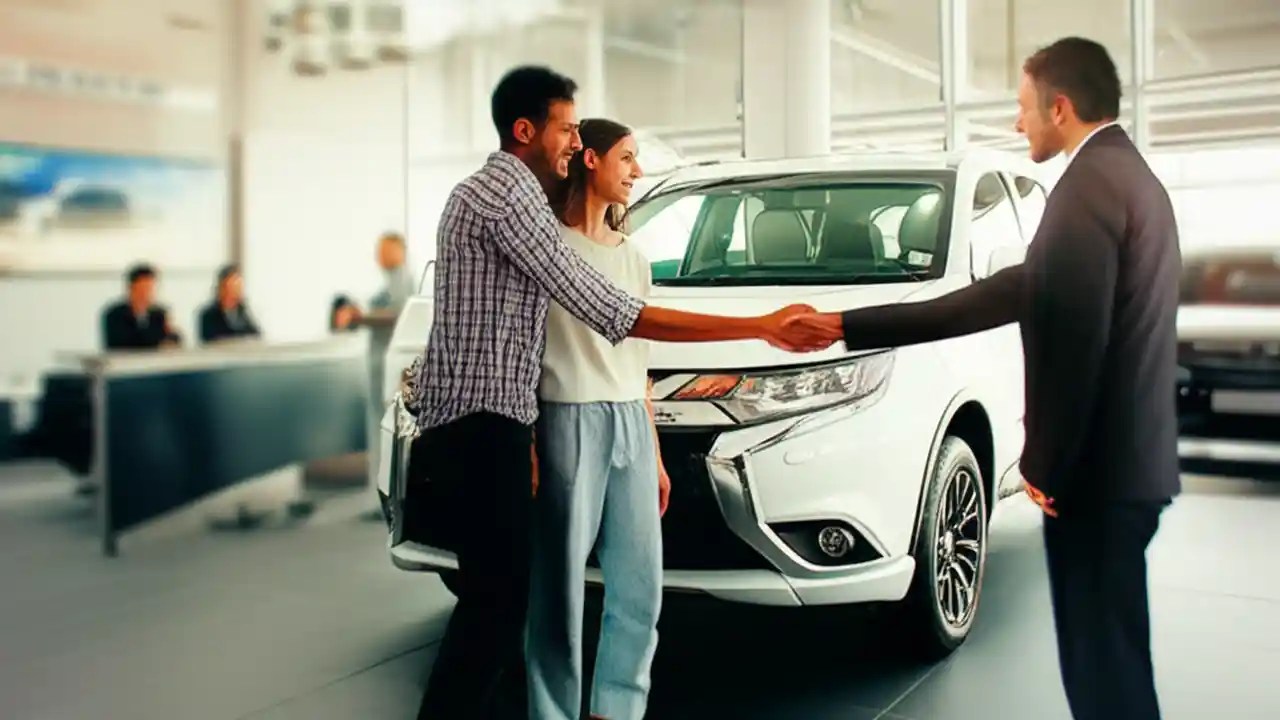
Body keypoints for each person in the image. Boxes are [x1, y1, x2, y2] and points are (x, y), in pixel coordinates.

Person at [410, 65, 833, 720]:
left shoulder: (519, 208)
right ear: (529, 132)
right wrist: (759, 326)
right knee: (510, 602)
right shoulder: (512, 204)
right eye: (568, 131)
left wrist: (646, 446)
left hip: (542, 425)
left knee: (523, 599)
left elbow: (590, 347)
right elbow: (610, 312)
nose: (575, 144)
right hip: (503, 426)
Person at [784, 37, 1179, 720]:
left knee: (1100, 668)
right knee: (1114, 656)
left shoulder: (1088, 189)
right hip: (1127, 468)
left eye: (1023, 108)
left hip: (1097, 478)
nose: (1015, 123)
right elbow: (1009, 293)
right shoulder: (1125, 178)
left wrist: (1046, 465)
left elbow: (1080, 344)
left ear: (1060, 107)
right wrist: (843, 325)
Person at [525, 118, 664, 720]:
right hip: (565, 422)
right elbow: (523, 355)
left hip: (631, 422)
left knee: (640, 589)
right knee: (557, 594)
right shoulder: (543, 249)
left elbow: (641, 368)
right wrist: (529, 443)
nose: (637, 171)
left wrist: (654, 456)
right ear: (590, 160)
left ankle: (617, 709)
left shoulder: (635, 260)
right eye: (628, 158)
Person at [101, 263, 182, 350]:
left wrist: (171, 334)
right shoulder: (114, 314)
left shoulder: (159, 313)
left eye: (150, 289)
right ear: (130, 288)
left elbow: (174, 339)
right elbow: (122, 344)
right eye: (142, 289)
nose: (146, 294)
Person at [198, 264, 261, 344]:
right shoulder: (208, 315)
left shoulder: (243, 311)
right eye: (234, 286)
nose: (238, 290)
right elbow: (212, 340)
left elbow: (255, 335)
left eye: (239, 286)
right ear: (223, 287)